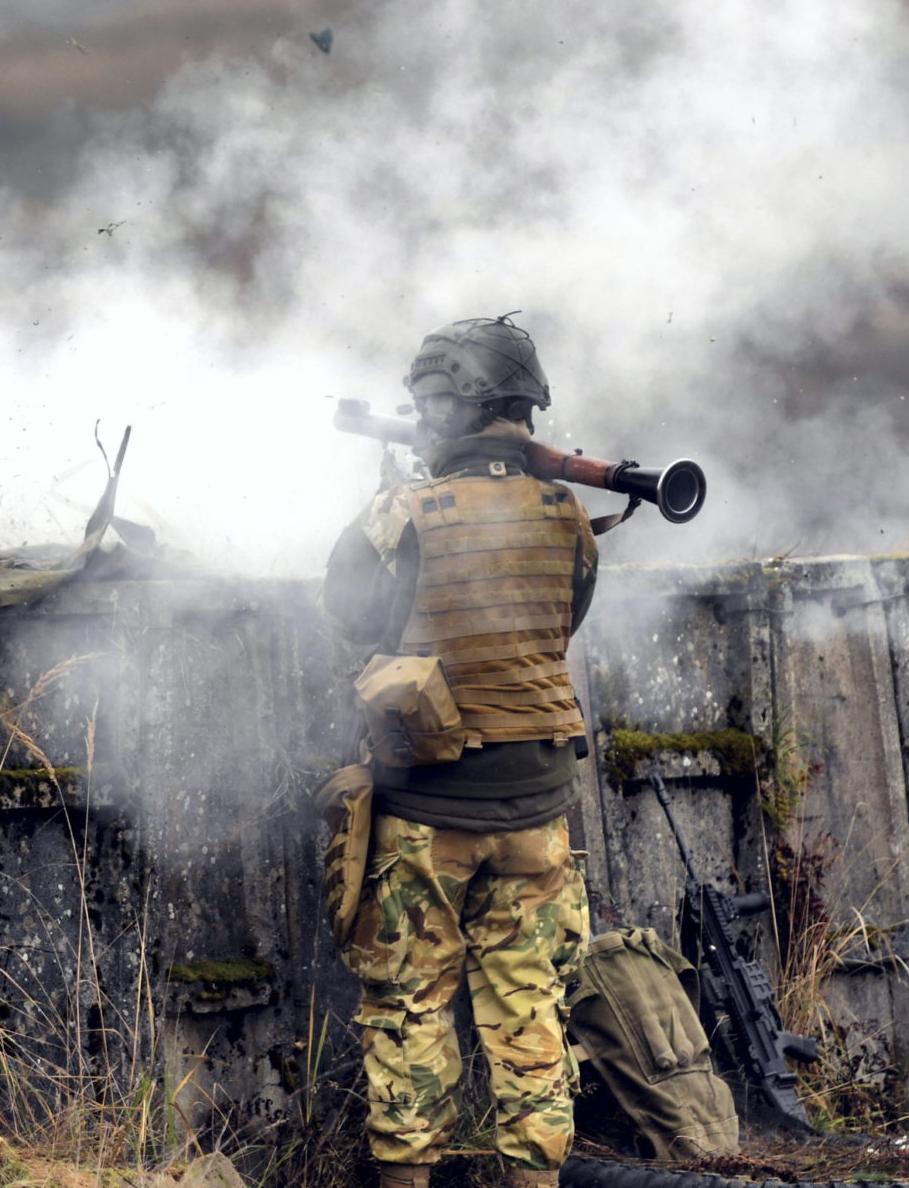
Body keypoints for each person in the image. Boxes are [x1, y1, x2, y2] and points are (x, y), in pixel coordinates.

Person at [322, 316, 597, 1188]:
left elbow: (347, 617)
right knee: (532, 1015)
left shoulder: (401, 512)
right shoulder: (567, 511)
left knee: (409, 1014)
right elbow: (566, 618)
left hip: (427, 818)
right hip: (539, 818)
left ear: (447, 405)